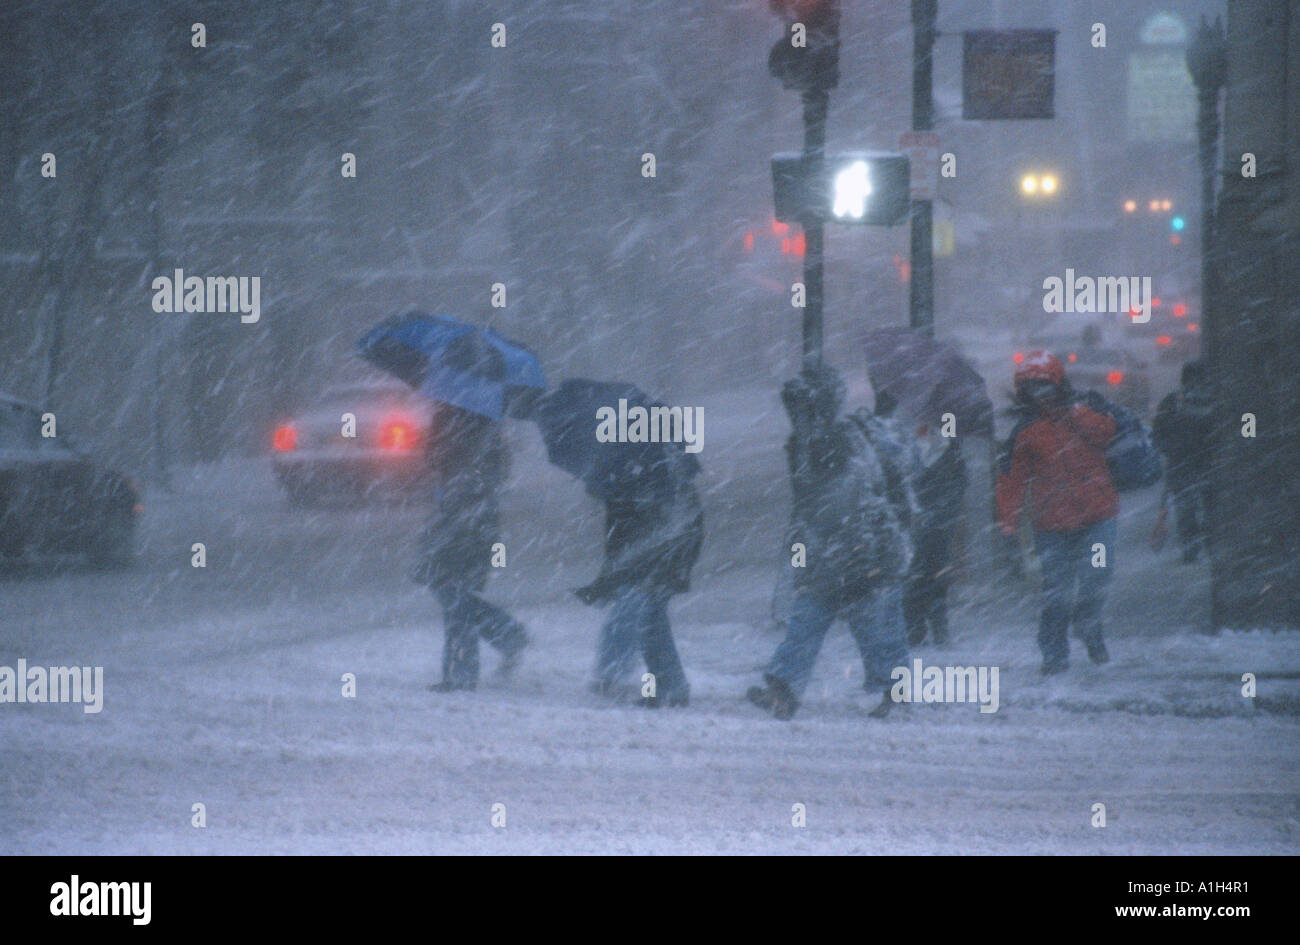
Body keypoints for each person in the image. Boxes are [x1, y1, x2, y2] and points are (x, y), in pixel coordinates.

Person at [748, 364, 915, 720]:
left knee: (876, 630)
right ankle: (784, 689)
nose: (796, 415)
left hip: (861, 549)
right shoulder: (813, 441)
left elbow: (847, 493)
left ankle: (895, 695)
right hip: (836, 551)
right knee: (808, 622)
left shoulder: (837, 438)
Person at [530, 381, 704, 708]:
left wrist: (607, 483)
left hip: (666, 531)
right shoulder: (639, 447)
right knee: (648, 608)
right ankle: (669, 685)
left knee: (636, 598)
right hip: (669, 527)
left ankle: (620, 672)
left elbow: (641, 505)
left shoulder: (633, 458)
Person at [411, 336, 528, 691]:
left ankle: (463, 672)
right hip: (465, 513)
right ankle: (506, 635)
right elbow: (440, 462)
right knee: (451, 587)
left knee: (450, 588)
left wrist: (463, 472)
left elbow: (448, 462)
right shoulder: (472, 417)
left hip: (469, 515)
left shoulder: (468, 419)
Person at [996, 351, 1118, 675]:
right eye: (1031, 389)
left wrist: (1075, 412)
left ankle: (1089, 626)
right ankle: (1054, 654)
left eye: (1044, 387)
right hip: (1052, 527)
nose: (1039, 396)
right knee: (1057, 594)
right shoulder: (1025, 432)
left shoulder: (1088, 408)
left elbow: (1107, 433)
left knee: (1096, 580)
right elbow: (1011, 480)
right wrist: (1008, 522)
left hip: (1097, 517)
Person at [903, 421, 968, 646]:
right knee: (924, 575)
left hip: (933, 522)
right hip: (926, 522)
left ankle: (924, 629)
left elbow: (960, 482)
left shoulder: (946, 448)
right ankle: (927, 629)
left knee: (926, 575)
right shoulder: (916, 447)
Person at [1152, 360, 1213, 563]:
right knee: (1212, 505)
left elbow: (1158, 433)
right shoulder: (1217, 399)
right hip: (1210, 462)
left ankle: (1191, 549)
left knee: (1186, 510)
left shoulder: (1172, 401)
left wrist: (1169, 449)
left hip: (1180, 464)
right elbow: (1238, 426)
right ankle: (1213, 545)